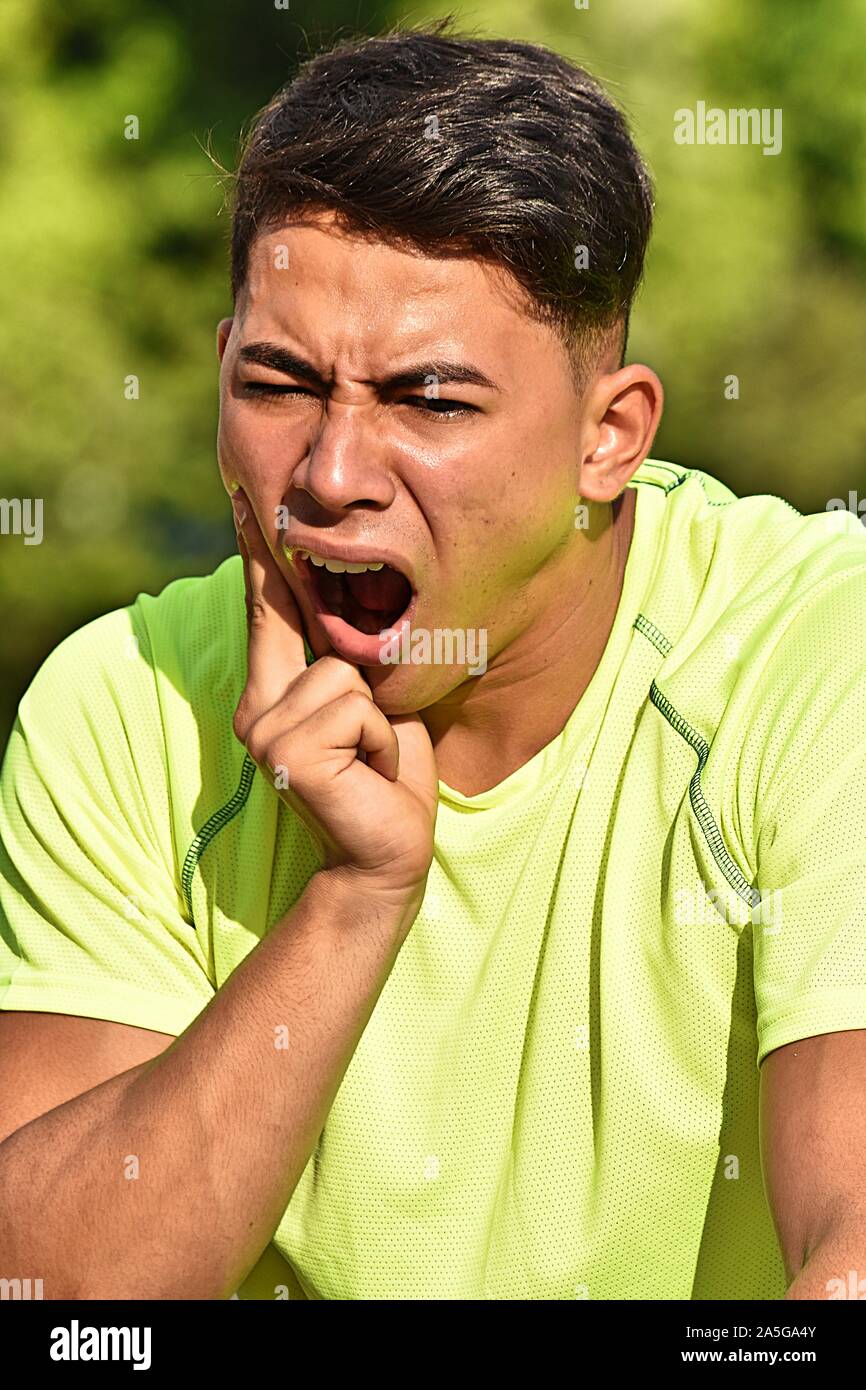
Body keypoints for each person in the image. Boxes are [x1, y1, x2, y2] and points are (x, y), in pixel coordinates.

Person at [2, 20, 866, 1302]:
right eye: (278, 383)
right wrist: (356, 896)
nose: (331, 477)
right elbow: (63, 1308)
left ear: (607, 435)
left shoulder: (814, 658)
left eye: (430, 401)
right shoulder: (123, 700)